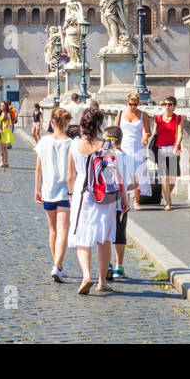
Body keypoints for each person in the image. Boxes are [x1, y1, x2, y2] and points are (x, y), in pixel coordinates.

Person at [67, 104, 127, 295]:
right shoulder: (107, 145)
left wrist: (70, 197)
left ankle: (86, 276)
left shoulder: (74, 145)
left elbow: (70, 175)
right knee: (104, 238)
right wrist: (123, 197)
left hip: (82, 193)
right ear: (100, 125)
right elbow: (114, 174)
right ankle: (102, 281)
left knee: (82, 238)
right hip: (103, 195)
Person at [34, 106, 73, 283]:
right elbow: (74, 172)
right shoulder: (71, 143)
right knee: (63, 230)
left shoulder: (43, 141)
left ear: (52, 122)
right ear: (67, 123)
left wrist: (37, 189)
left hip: (48, 190)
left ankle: (57, 265)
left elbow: (38, 168)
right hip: (65, 191)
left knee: (53, 230)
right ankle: (57, 266)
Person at [102, 123, 135, 280]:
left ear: (112, 141)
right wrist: (126, 187)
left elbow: (107, 178)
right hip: (124, 200)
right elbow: (135, 182)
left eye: (105, 140)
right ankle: (119, 266)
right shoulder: (128, 158)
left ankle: (107, 263)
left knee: (107, 233)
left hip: (109, 200)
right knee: (121, 234)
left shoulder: (107, 157)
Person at [119, 92, 153, 210]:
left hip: (138, 146)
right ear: (127, 102)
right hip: (124, 146)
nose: (133, 107)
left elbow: (148, 131)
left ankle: (136, 201)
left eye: (135, 104)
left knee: (138, 173)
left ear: (138, 104)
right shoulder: (121, 113)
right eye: (130, 104)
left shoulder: (143, 115)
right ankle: (126, 200)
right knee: (126, 174)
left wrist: (145, 136)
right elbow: (116, 130)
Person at [154, 96, 184, 210]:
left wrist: (177, 145)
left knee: (172, 178)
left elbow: (180, 133)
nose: (167, 106)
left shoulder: (178, 118)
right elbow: (154, 132)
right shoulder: (158, 118)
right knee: (164, 177)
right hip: (161, 149)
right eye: (165, 104)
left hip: (173, 149)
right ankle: (167, 203)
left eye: (170, 104)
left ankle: (167, 194)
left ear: (174, 106)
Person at [0, 100, 16, 168]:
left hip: (5, 132)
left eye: (3, 106)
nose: (1, 107)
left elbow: (7, 124)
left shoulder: (8, 114)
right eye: (0, 106)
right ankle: (5, 162)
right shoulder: (0, 114)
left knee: (2, 148)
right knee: (3, 148)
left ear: (6, 106)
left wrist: (2, 129)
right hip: (1, 131)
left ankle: (2, 162)